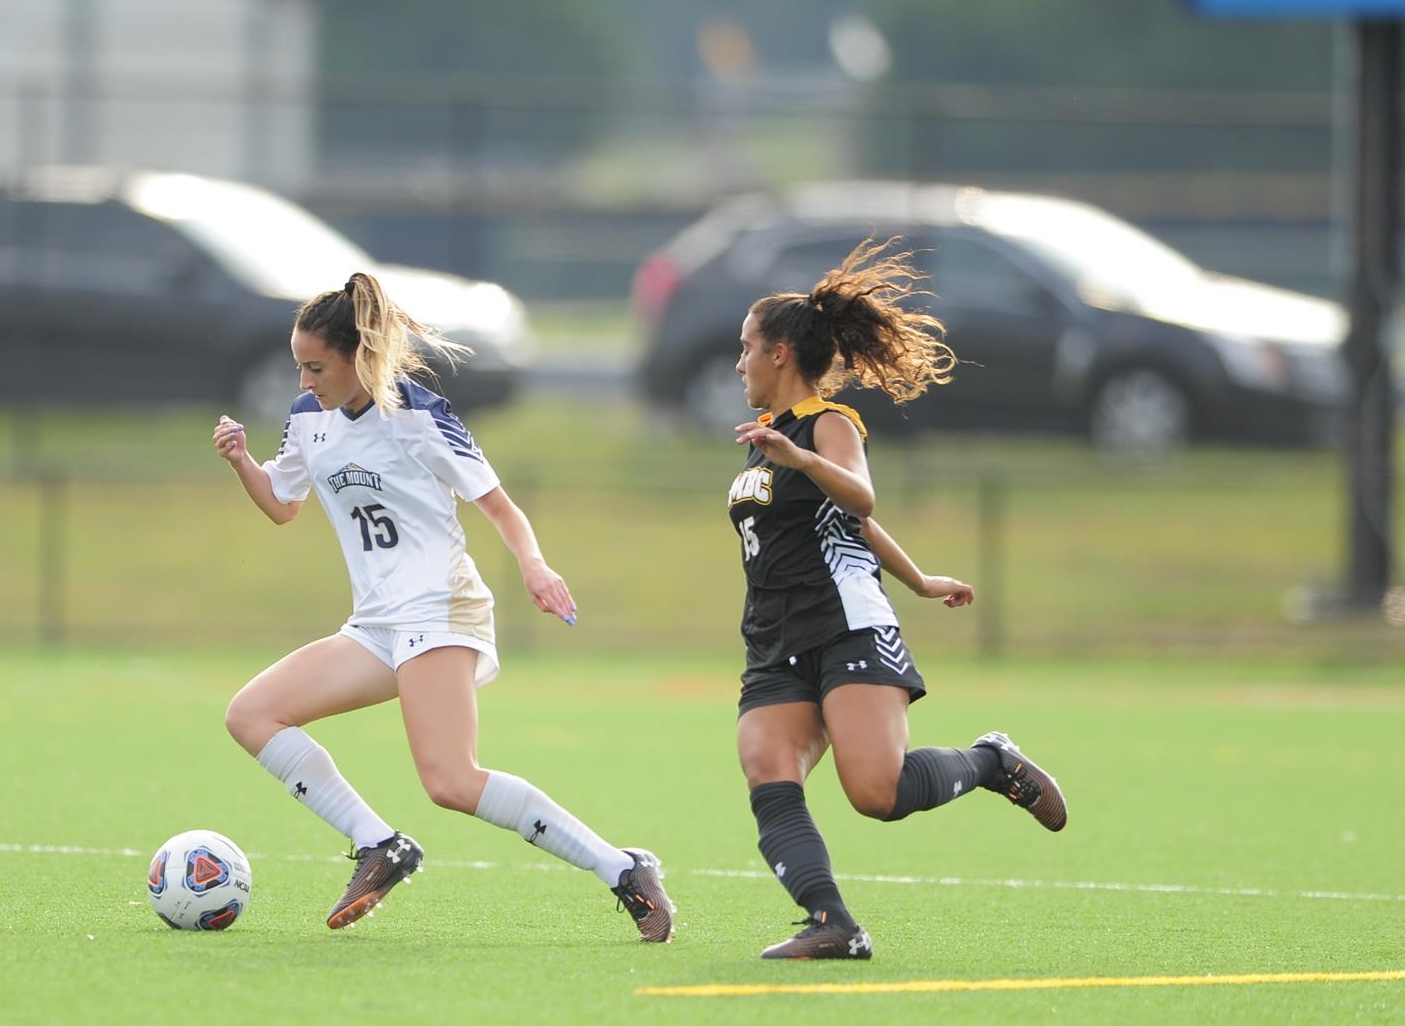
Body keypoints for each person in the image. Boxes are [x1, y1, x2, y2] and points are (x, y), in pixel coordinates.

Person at [212, 272, 675, 941]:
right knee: (252, 714)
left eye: (316, 367)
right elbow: (283, 507)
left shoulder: (419, 416)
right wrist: (241, 464)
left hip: (440, 609)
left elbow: (499, 505)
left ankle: (623, 868)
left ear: (357, 357)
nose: (304, 380)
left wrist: (534, 564)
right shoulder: (307, 419)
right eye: (298, 367)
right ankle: (380, 845)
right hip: (376, 625)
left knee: (452, 781)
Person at [727, 238, 1066, 961]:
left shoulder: (828, 425)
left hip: (844, 624)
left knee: (876, 793)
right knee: (766, 764)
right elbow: (853, 522)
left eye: (747, 348)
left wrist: (805, 457)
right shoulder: (767, 441)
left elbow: (860, 494)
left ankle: (991, 762)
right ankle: (832, 925)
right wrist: (920, 579)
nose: (739, 363)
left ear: (781, 353)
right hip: (774, 632)